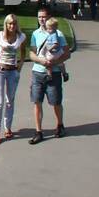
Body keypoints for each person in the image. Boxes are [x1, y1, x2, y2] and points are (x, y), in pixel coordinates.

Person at [26, 7, 72, 142]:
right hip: (38, 73)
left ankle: (60, 125)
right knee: (37, 102)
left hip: (55, 72)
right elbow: (32, 53)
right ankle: (38, 131)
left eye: (44, 17)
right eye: (39, 17)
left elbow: (67, 53)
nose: (41, 19)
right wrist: (41, 60)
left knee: (56, 102)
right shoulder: (35, 33)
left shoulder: (58, 34)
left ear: (49, 18)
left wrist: (54, 62)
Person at [0, 14, 25, 144]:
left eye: (14, 23)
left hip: (12, 72)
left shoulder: (21, 37)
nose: (12, 26)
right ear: (6, 24)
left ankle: (7, 127)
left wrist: (19, 66)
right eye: (9, 24)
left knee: (10, 101)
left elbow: (23, 54)